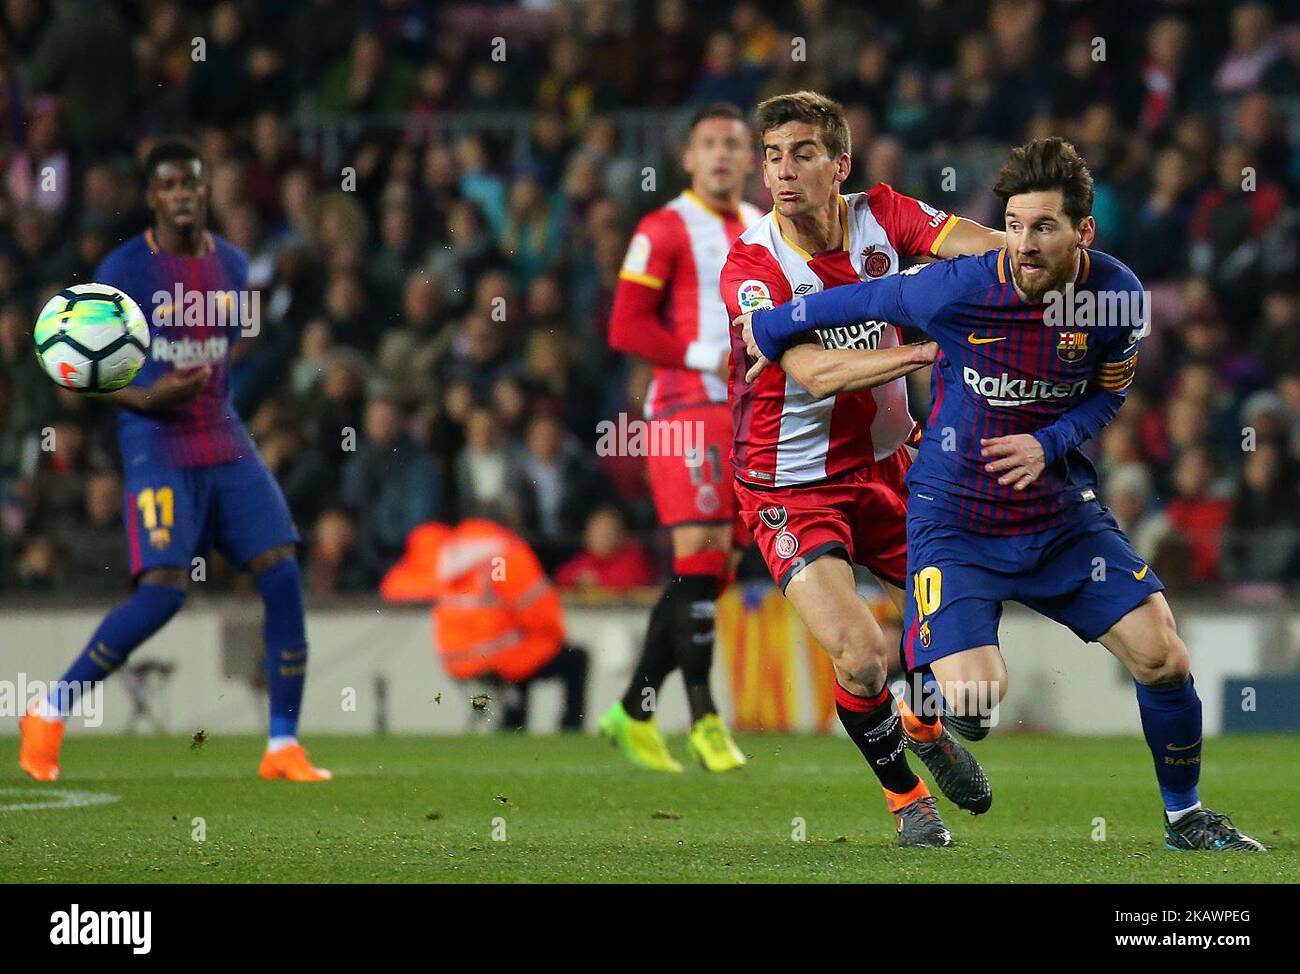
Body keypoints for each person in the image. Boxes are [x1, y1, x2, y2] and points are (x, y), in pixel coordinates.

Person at [738, 136, 1265, 852]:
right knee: (976, 697)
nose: (1022, 243)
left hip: (1058, 514)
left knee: (1164, 654)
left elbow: (1109, 399)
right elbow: (864, 297)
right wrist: (767, 327)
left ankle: (1186, 817)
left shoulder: (1116, 297)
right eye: (1013, 224)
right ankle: (927, 716)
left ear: (1084, 232)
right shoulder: (960, 287)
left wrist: (1046, 445)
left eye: (1042, 227)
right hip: (955, 519)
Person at [717, 90, 1001, 847]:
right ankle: (907, 797)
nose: (783, 171)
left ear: (839, 164)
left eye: (803, 153)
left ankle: (925, 720)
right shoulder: (753, 263)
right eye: (773, 156)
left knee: (961, 620)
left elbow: (982, 247)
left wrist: (1034, 263)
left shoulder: (883, 213)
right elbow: (810, 372)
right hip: (790, 485)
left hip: (892, 466)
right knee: (864, 656)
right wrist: (923, 350)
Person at [20, 140, 329, 782]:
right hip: (155, 439)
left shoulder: (235, 265)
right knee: (163, 594)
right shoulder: (125, 267)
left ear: (207, 191)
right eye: (170, 186)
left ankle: (282, 746)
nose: (185, 195)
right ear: (152, 197)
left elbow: (230, 352)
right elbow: (70, 369)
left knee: (281, 571)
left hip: (223, 436)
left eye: (194, 183)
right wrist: (148, 394)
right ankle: (49, 711)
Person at [599, 103, 762, 773]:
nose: (721, 154)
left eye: (733, 143)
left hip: (751, 414)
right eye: (708, 143)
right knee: (699, 561)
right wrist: (703, 353)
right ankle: (704, 719)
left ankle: (633, 709)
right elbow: (625, 327)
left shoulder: (763, 227)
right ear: (688, 158)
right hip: (683, 410)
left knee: (711, 573)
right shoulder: (663, 227)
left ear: (751, 160)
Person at [381, 520, 588, 732]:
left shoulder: (445, 553)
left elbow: (394, 587)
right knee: (571, 657)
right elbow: (538, 610)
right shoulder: (508, 554)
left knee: (522, 658)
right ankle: (568, 729)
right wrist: (554, 637)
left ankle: (512, 728)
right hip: (496, 654)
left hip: (455, 660)